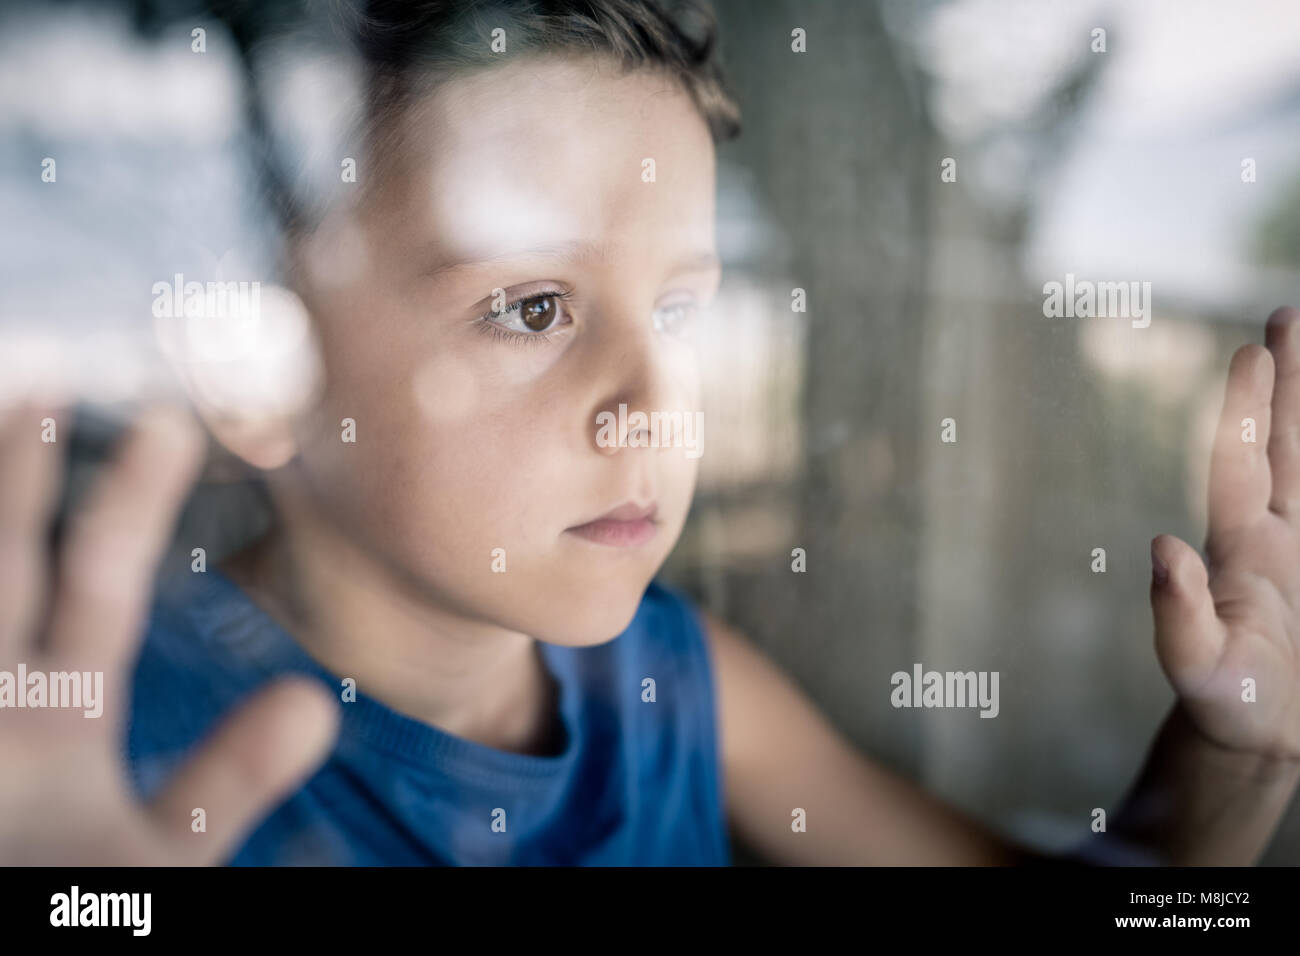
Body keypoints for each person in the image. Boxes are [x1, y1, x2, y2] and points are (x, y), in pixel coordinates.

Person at [1, 0, 1298, 866]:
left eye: (678, 306)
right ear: (267, 370)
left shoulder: (675, 681)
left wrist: (1230, 761)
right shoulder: (95, 774)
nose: (654, 401)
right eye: (532, 307)